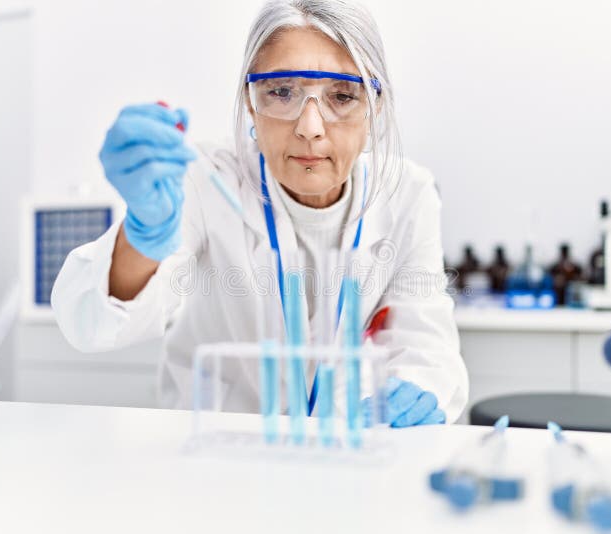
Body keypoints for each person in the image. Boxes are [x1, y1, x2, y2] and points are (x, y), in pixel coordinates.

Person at [51, 0, 468, 426]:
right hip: (217, 442)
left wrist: (416, 390)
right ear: (250, 103)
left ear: (374, 106)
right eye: (281, 92)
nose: (310, 127)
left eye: (342, 96)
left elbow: (425, 346)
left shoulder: (407, 194)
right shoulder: (205, 181)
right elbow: (91, 325)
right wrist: (145, 234)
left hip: (344, 442)